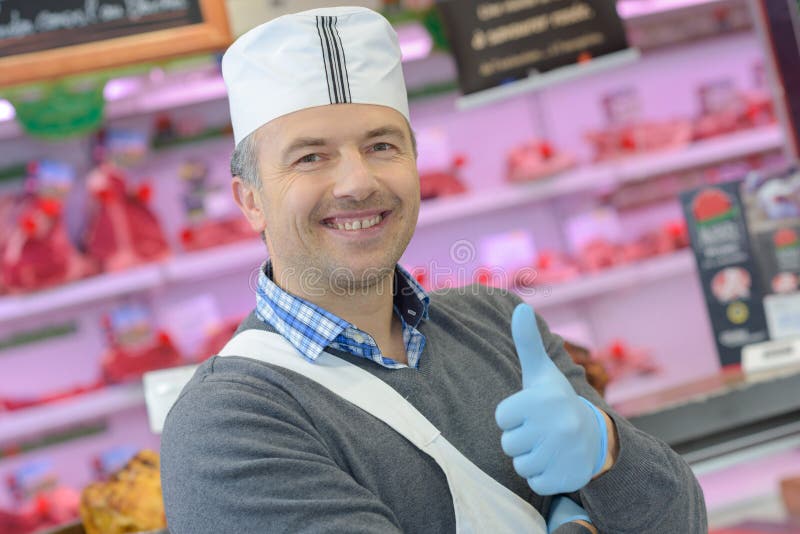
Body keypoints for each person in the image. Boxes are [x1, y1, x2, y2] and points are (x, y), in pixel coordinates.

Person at [160, 6, 707, 533]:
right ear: (250, 199)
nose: (357, 182)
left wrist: (608, 448)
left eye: (381, 146)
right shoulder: (227, 423)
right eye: (311, 157)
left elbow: (679, 522)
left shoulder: (498, 325)